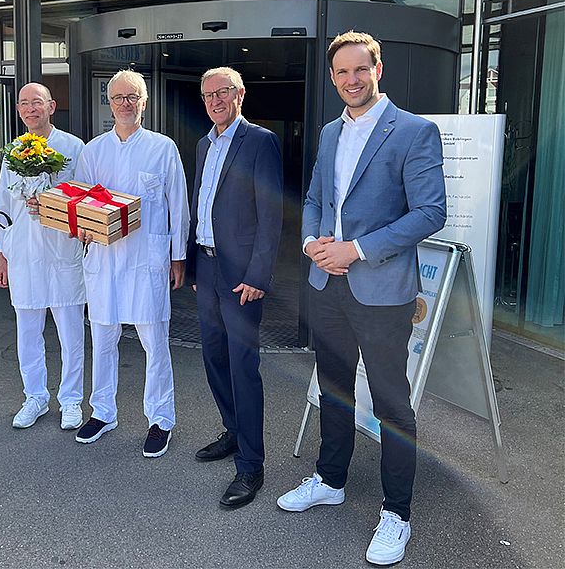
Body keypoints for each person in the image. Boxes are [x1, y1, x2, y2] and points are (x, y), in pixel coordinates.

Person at [277, 32, 446, 565]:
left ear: (378, 68)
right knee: (333, 388)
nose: (352, 80)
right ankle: (330, 479)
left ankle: (397, 514)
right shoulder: (329, 133)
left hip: (380, 289)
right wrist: (310, 244)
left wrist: (357, 249)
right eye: (342, 73)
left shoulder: (414, 131)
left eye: (360, 70)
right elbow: (313, 199)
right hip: (327, 285)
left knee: (392, 404)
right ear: (332, 79)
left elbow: (429, 213)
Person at [73, 69, 189, 458]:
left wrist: (177, 257)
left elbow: (179, 207)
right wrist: (83, 229)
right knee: (103, 340)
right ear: (109, 103)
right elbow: (82, 204)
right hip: (104, 261)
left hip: (147, 260)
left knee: (154, 343)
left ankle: (161, 419)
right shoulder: (93, 151)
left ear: (144, 102)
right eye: (119, 97)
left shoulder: (162, 148)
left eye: (133, 97)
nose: (125, 103)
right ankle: (102, 412)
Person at [185, 67, 283, 508]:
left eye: (222, 92)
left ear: (240, 94)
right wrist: (190, 266)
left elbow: (271, 215)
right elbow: (200, 205)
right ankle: (233, 429)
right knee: (213, 356)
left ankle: (251, 464)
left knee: (244, 366)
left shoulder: (260, 141)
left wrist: (259, 276)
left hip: (241, 275)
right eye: (208, 95)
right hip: (206, 269)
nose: (214, 100)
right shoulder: (205, 144)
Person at [0, 82, 87, 431]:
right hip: (24, 251)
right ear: (18, 110)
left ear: (52, 106)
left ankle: (72, 400)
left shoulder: (73, 147)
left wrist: (52, 204)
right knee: (28, 329)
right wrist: (2, 256)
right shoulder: (13, 151)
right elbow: (3, 204)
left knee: (70, 331)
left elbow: (87, 198)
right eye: (24, 104)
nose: (31, 109)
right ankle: (35, 396)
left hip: (62, 249)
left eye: (38, 103)